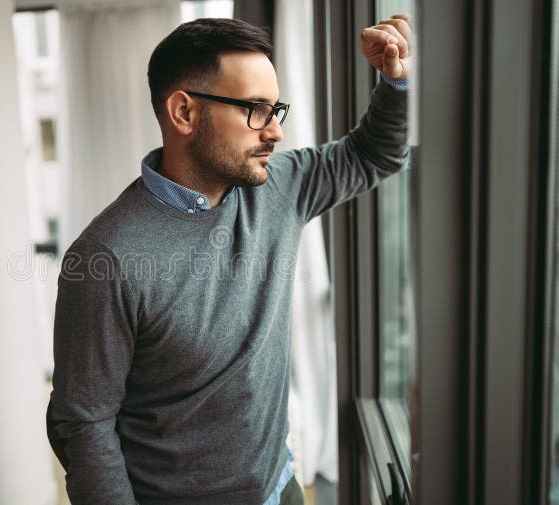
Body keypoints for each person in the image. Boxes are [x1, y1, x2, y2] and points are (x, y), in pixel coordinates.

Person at [47, 14, 411, 505]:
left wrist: (394, 80)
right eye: (256, 110)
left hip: (280, 489)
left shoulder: (278, 187)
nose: (276, 132)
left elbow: (374, 155)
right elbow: (84, 425)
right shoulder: (103, 259)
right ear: (183, 113)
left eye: (276, 109)